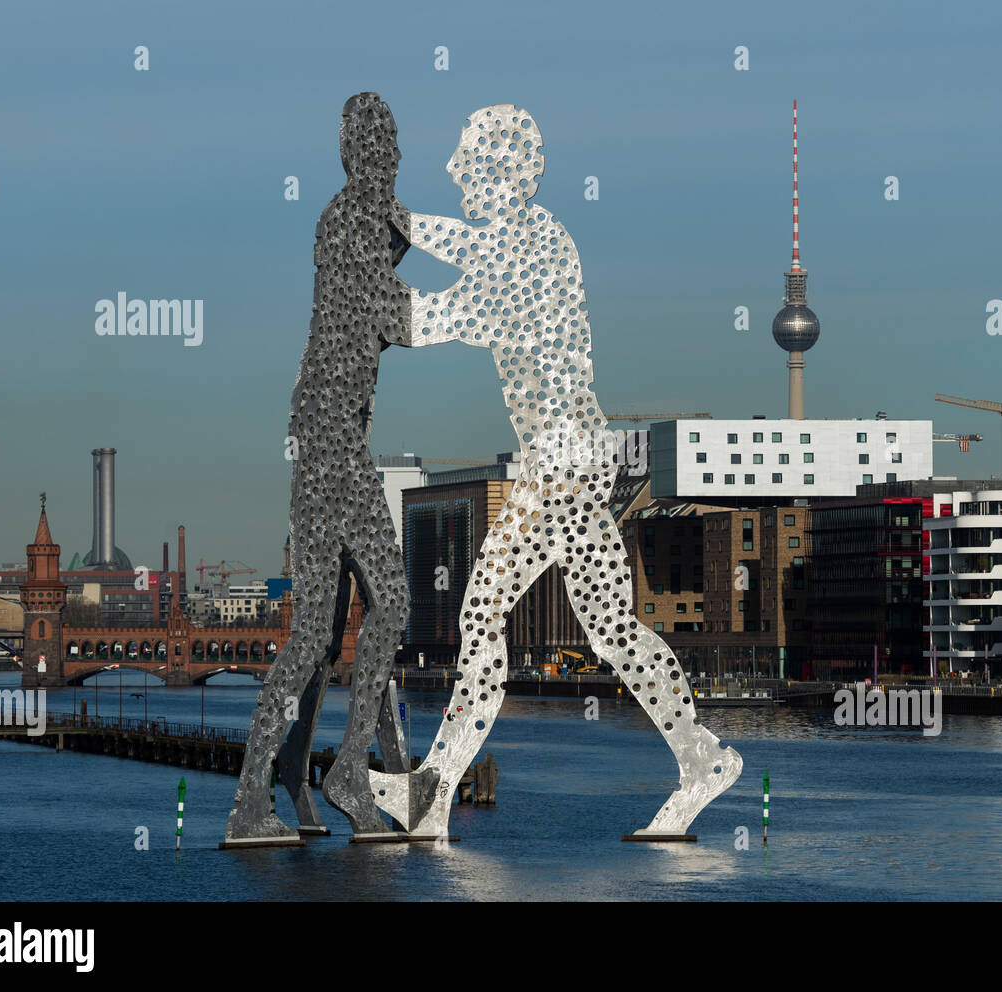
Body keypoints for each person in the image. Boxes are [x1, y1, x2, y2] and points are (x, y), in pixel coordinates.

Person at [370, 106, 742, 839]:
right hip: (575, 461)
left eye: (467, 161)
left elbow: (440, 316)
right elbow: (472, 248)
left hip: (560, 468)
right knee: (610, 631)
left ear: (504, 171)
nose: (454, 170)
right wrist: (402, 220)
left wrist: (362, 297)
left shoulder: (532, 254)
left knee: (484, 615)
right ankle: (701, 757)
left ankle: (433, 791)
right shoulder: (534, 237)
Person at [225, 93, 417, 843]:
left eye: (390, 144)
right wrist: (490, 309)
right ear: (359, 153)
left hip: (324, 436)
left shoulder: (352, 219)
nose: (388, 156)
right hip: (332, 439)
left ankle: (289, 788)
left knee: (322, 628)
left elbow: (382, 276)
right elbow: (393, 316)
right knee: (389, 604)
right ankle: (331, 777)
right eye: (380, 145)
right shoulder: (352, 221)